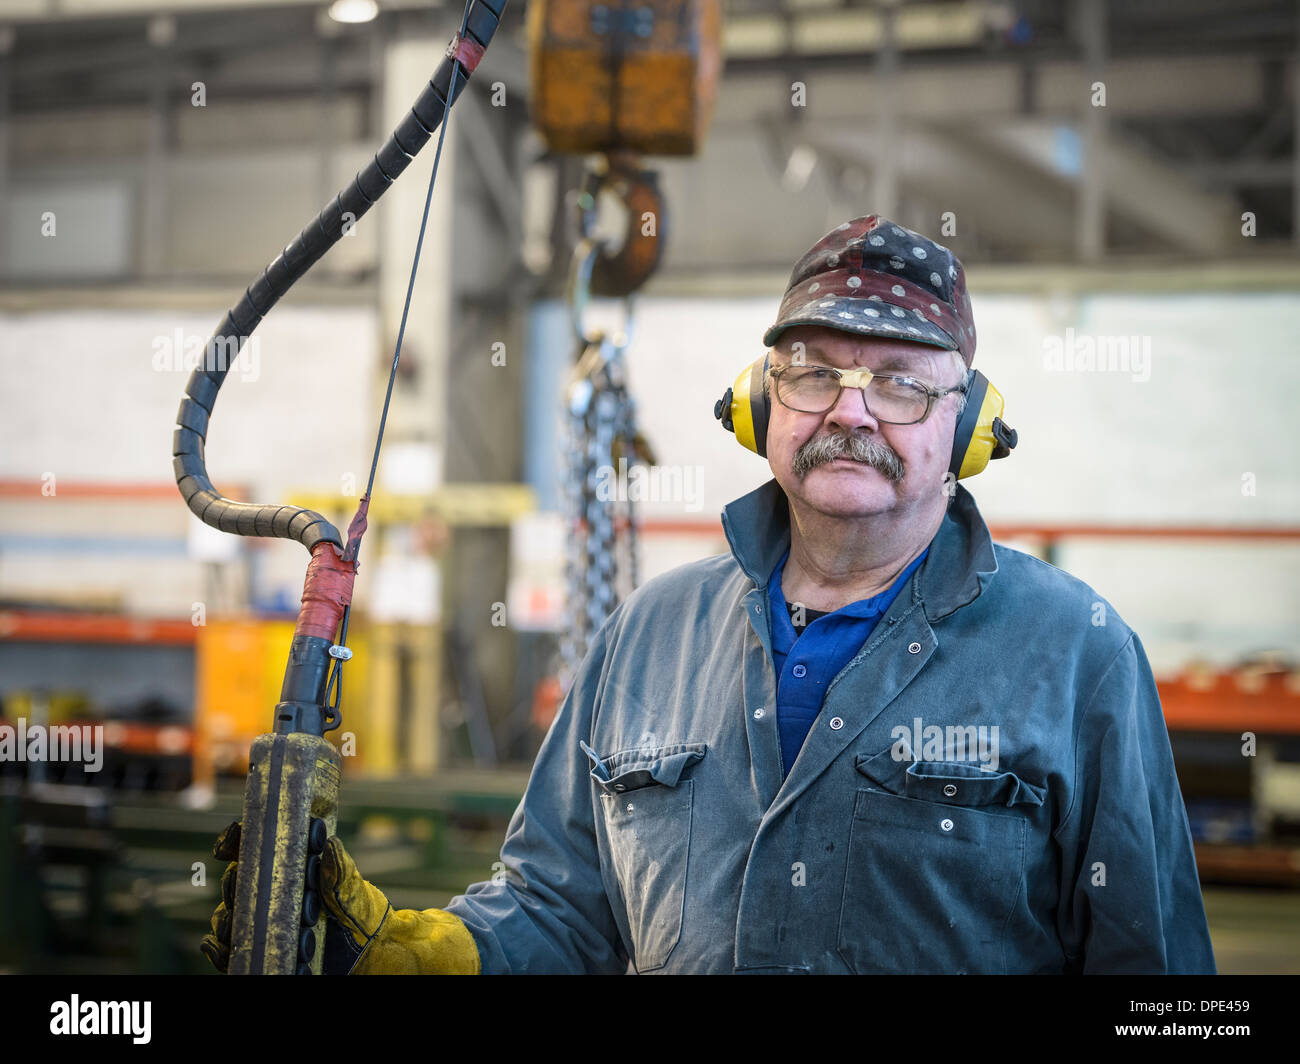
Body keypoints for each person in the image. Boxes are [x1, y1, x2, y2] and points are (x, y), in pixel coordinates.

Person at [203, 214, 1216, 974]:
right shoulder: (649, 632)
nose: (849, 410)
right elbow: (562, 907)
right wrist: (428, 955)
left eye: (901, 383)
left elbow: (1154, 968)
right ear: (758, 403)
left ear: (967, 427)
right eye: (811, 371)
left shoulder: (1073, 649)